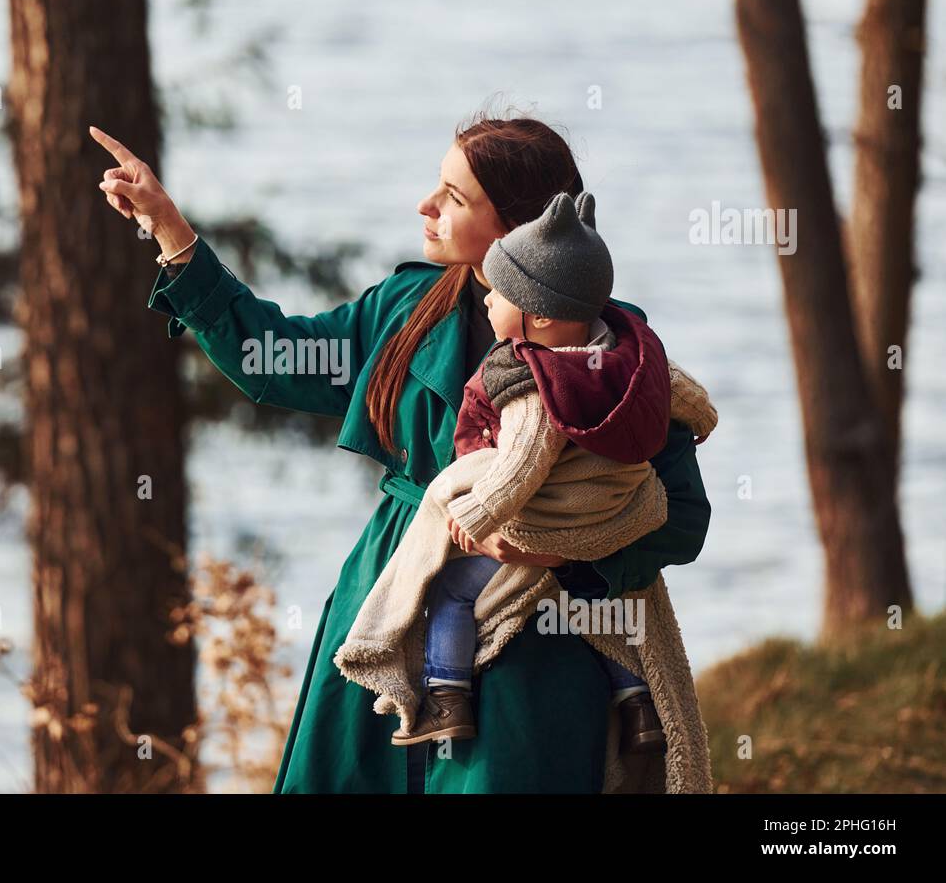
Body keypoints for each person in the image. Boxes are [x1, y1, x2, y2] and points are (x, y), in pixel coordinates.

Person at [90, 111, 712, 793]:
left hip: (540, 637)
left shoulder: (617, 350)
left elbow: (680, 515)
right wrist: (170, 231)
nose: (426, 205)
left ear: (517, 225)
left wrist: (565, 554)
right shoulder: (405, 307)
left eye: (455, 197)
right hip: (390, 598)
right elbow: (272, 359)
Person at [331, 190, 717, 756]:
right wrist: (704, 415)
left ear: (537, 314)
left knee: (452, 593)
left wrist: (477, 511)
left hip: (548, 518)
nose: (488, 302)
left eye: (500, 294)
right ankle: (637, 702)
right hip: (616, 513)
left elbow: (524, 460)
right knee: (600, 608)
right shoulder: (621, 351)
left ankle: (446, 695)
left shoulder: (532, 380)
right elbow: (676, 389)